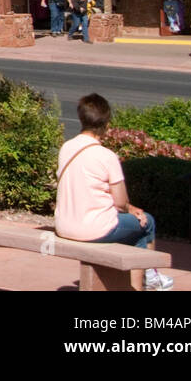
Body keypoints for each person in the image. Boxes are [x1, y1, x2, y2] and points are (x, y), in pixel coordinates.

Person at [55, 94, 173, 290]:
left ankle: (143, 281)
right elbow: (120, 203)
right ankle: (149, 277)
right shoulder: (107, 156)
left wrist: (129, 208)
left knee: (135, 227)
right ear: (106, 125)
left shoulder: (66, 148)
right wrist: (133, 209)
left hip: (64, 226)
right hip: (94, 230)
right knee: (147, 223)